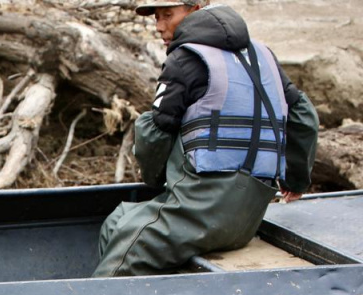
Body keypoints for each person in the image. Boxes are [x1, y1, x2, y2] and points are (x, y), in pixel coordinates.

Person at [93, 0, 319, 277]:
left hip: (199, 209)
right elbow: (303, 116)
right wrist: (295, 180)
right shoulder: (262, 53)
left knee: (118, 263)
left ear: (195, 10)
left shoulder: (186, 59)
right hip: (249, 214)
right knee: (118, 221)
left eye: (167, 15)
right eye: (156, 18)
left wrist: (154, 177)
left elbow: (155, 133)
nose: (160, 26)